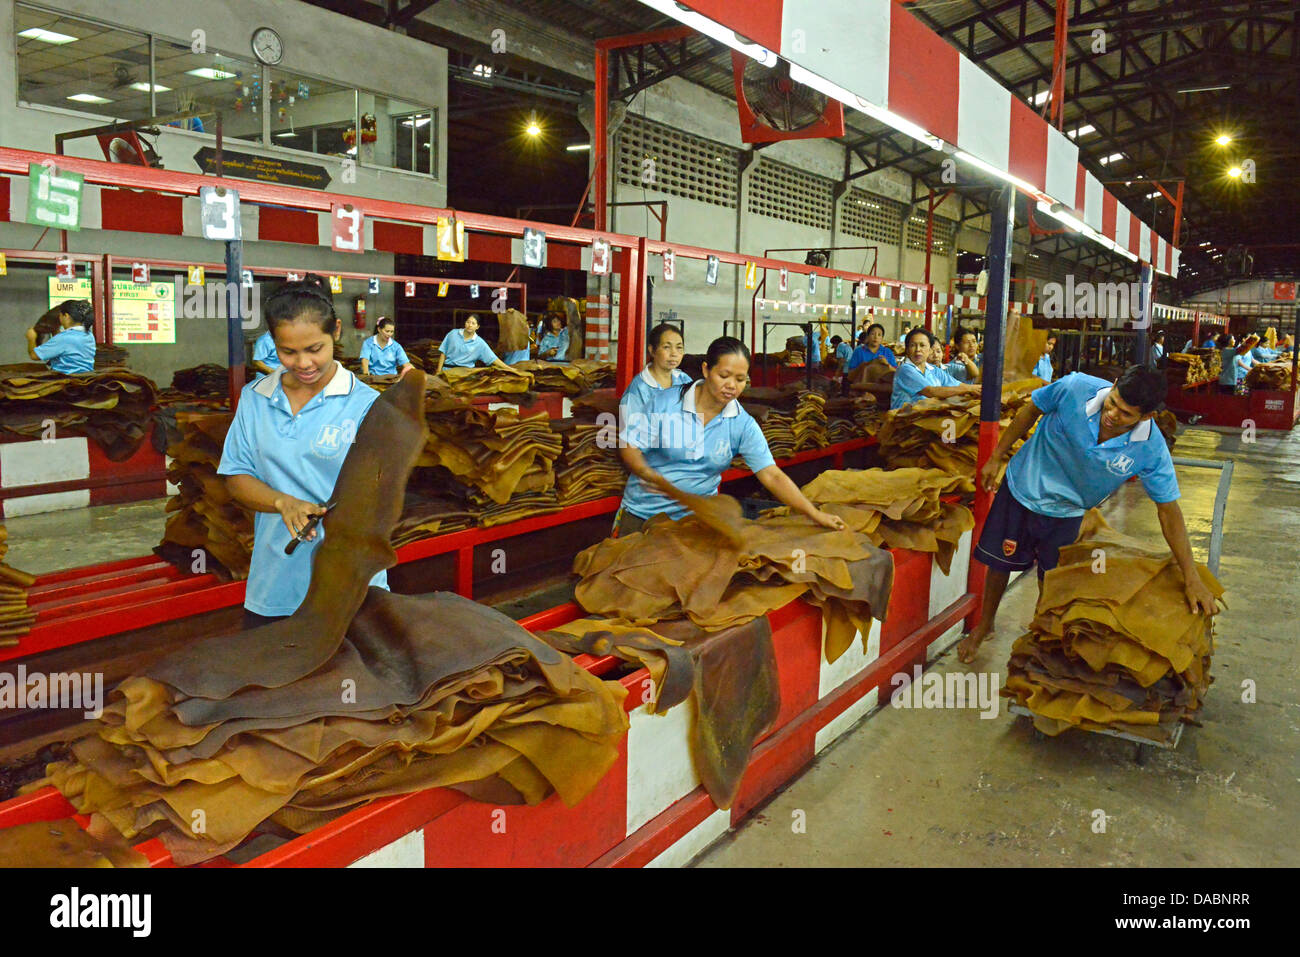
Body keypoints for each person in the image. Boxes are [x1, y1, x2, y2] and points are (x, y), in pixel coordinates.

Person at [957, 364, 1217, 663]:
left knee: (1053, 580)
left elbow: (1169, 512)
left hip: (1069, 512)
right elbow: (1031, 410)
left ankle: (1040, 636)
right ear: (1115, 383)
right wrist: (996, 457)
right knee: (1000, 563)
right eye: (1113, 401)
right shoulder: (1075, 387)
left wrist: (1191, 576)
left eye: (1125, 414)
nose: (1112, 414)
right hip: (1022, 487)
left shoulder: (1150, 449)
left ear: (1147, 416)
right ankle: (984, 624)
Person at [216, 276, 388, 627]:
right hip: (275, 581)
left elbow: (381, 491)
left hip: (352, 584)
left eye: (314, 349)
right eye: (288, 352)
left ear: (336, 331)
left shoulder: (367, 405)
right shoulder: (256, 398)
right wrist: (283, 503)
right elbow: (236, 475)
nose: (303, 363)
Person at [614, 336, 847, 537]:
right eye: (724, 375)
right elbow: (630, 444)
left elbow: (772, 475)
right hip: (642, 516)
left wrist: (814, 514)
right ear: (706, 370)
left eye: (740, 379)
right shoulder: (665, 403)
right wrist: (646, 472)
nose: (731, 386)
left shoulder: (741, 423)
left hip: (697, 521)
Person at [890, 328, 981, 410]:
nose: (918, 349)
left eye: (922, 345)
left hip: (926, 417)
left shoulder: (934, 370)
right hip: (905, 421)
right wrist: (970, 389)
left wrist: (977, 388)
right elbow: (931, 391)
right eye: (913, 345)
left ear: (929, 350)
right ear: (907, 350)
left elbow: (958, 385)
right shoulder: (905, 369)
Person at [619, 322, 690, 425]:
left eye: (679, 347)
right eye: (666, 347)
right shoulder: (638, 389)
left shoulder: (684, 380)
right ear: (652, 350)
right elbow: (631, 433)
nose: (674, 353)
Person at [434, 315, 522, 376]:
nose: (470, 325)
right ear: (465, 323)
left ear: (477, 327)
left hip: (466, 375)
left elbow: (493, 359)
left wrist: (510, 369)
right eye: (468, 322)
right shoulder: (453, 334)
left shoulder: (480, 343)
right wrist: (439, 370)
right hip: (447, 372)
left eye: (473, 323)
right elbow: (443, 353)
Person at [26, 299, 95, 374]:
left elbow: (34, 356)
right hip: (85, 376)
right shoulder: (88, 335)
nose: (59, 318)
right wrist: (55, 331)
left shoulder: (64, 338)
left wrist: (31, 339)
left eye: (60, 315)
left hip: (66, 379)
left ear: (66, 316)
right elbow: (65, 348)